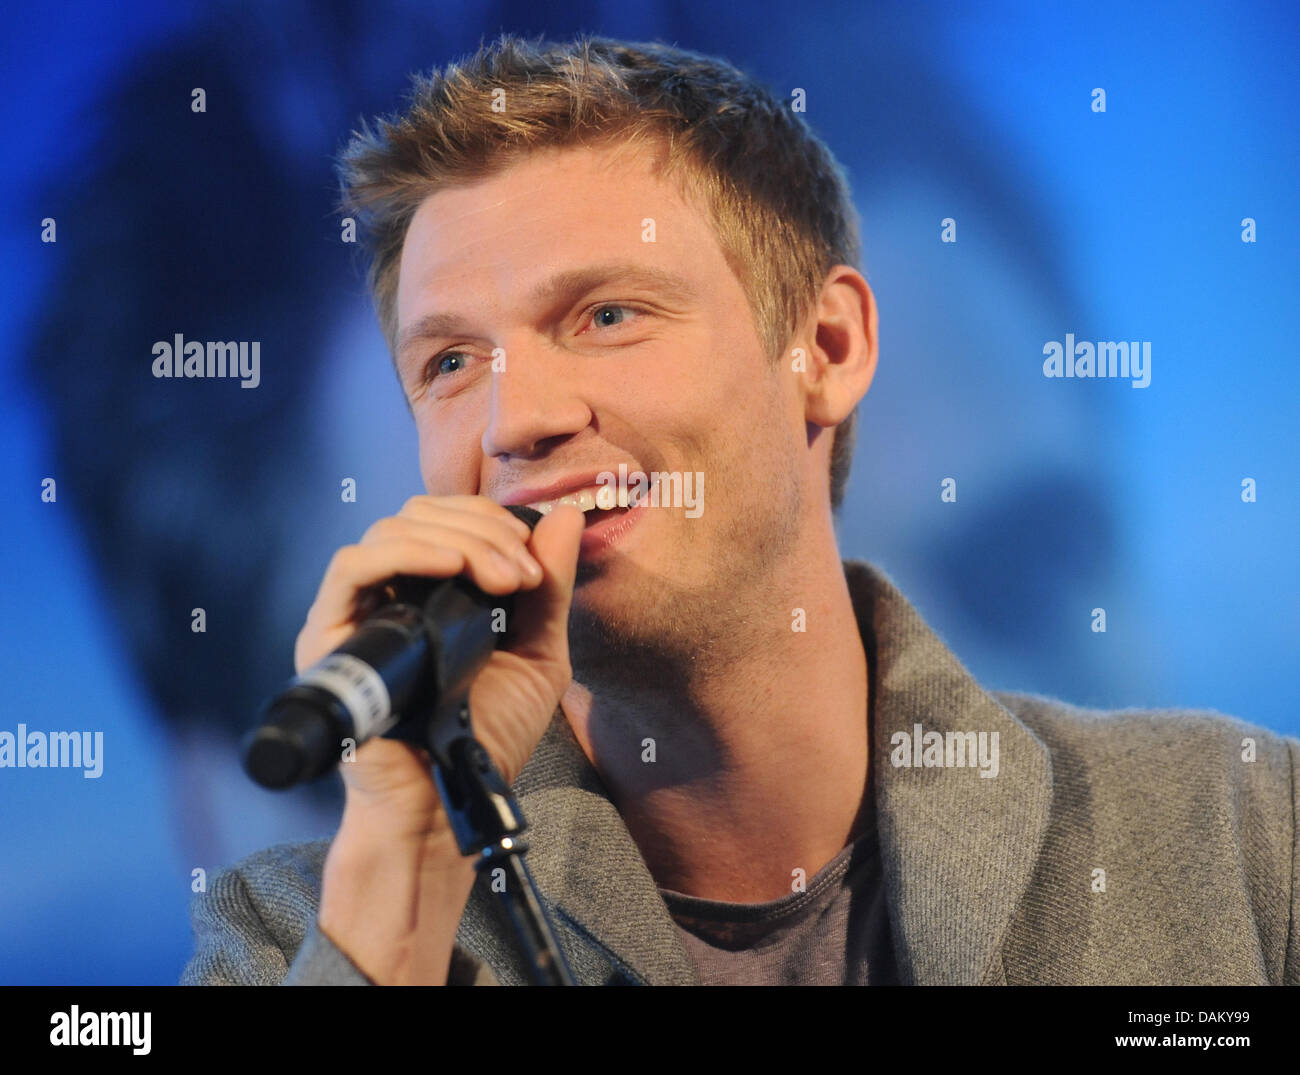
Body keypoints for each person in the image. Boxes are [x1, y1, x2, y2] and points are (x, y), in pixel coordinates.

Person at [181, 33, 1299, 987]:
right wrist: (410, 864)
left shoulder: (1240, 832)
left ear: (827, 348)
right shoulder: (299, 934)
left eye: (606, 315)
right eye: (450, 363)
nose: (516, 420)